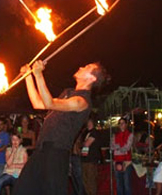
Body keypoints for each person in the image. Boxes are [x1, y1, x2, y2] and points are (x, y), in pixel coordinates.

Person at [13, 60, 108, 195]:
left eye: (86, 67)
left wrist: (39, 74)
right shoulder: (68, 92)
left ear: (92, 78)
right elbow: (39, 103)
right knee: (22, 190)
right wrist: (28, 76)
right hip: (41, 149)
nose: (81, 66)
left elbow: (49, 102)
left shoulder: (82, 102)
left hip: (56, 152)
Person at [111, 118, 133, 195]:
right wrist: (121, 147)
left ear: (126, 124)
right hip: (117, 161)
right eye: (120, 123)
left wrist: (118, 147)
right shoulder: (114, 135)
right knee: (118, 184)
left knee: (127, 184)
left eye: (123, 123)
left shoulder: (130, 135)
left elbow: (127, 147)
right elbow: (112, 147)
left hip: (127, 161)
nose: (121, 125)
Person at [81, 118, 101, 195]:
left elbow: (87, 144)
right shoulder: (86, 133)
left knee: (91, 180)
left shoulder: (94, 132)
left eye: (89, 122)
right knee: (85, 180)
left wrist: (82, 144)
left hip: (91, 159)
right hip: (85, 158)